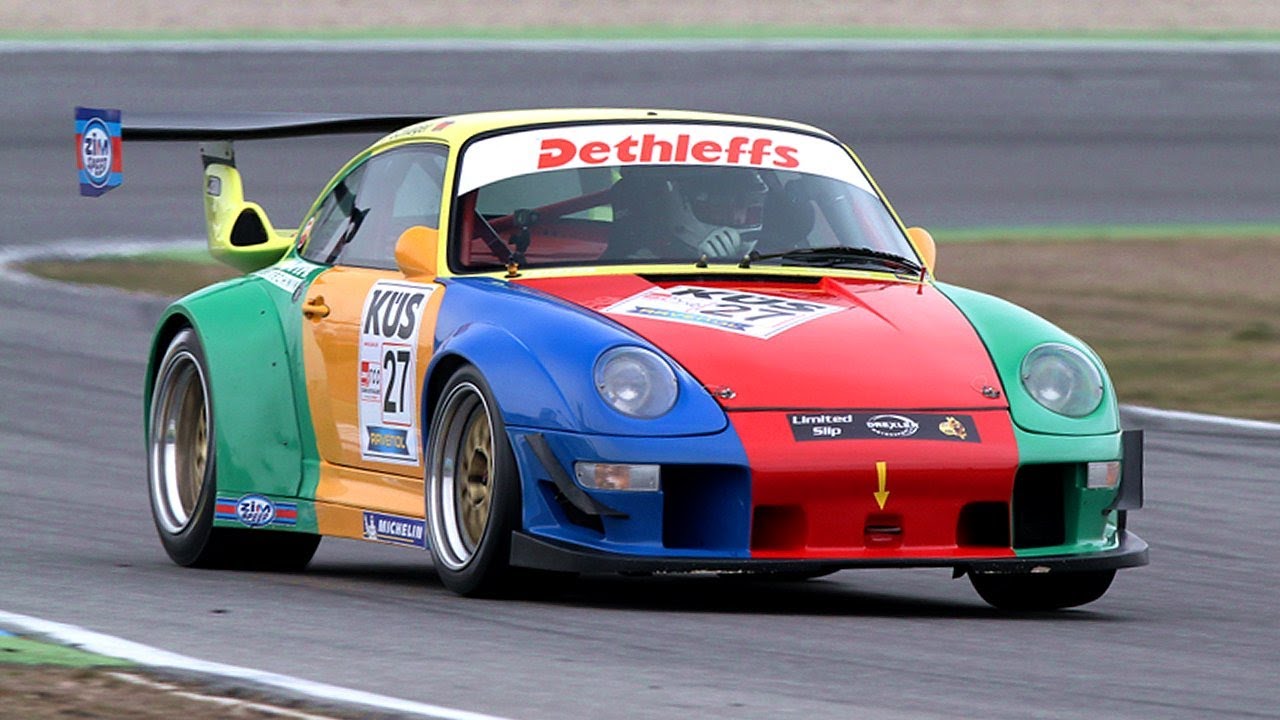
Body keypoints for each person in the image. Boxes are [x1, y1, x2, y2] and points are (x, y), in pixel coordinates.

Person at [607, 167, 768, 261]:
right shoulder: (641, 266)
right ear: (679, 205)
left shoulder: (781, 257)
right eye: (721, 209)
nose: (739, 218)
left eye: (752, 210)